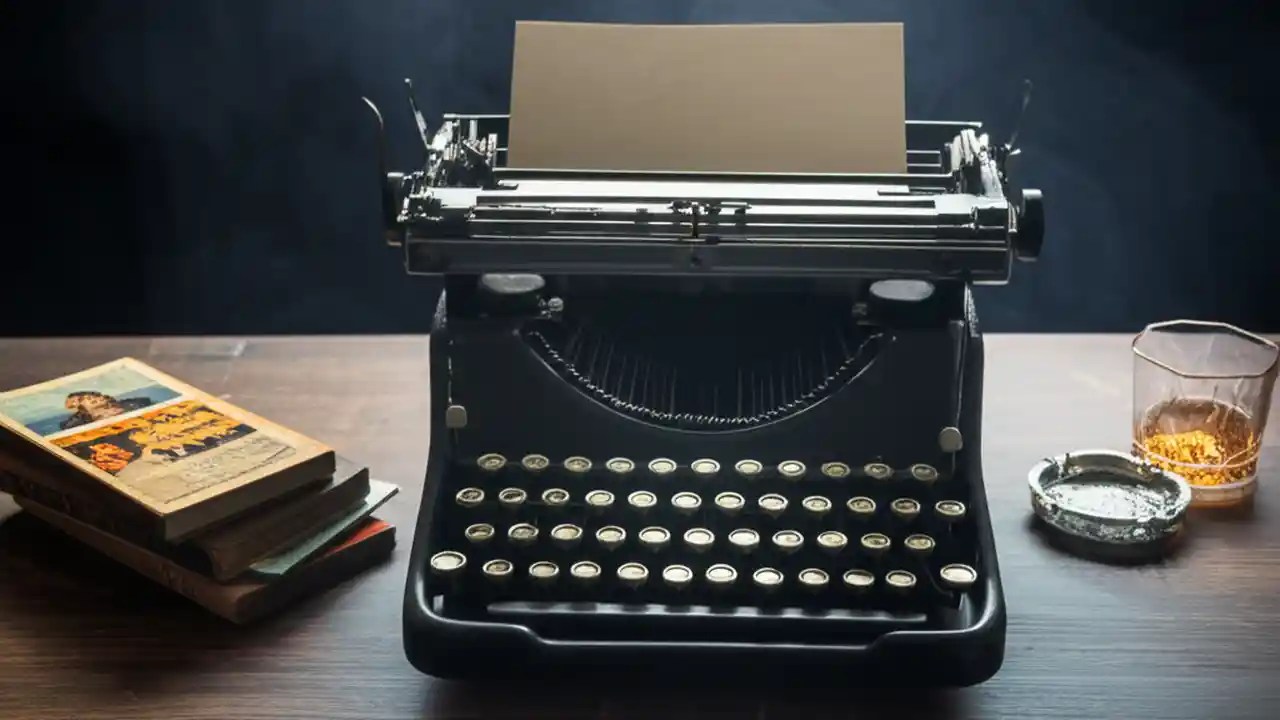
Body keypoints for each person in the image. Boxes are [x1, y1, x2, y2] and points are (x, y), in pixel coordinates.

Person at [59, 391, 151, 430]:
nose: (89, 398)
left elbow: (147, 402)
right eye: (81, 399)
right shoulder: (80, 421)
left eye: (92, 396)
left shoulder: (131, 404)